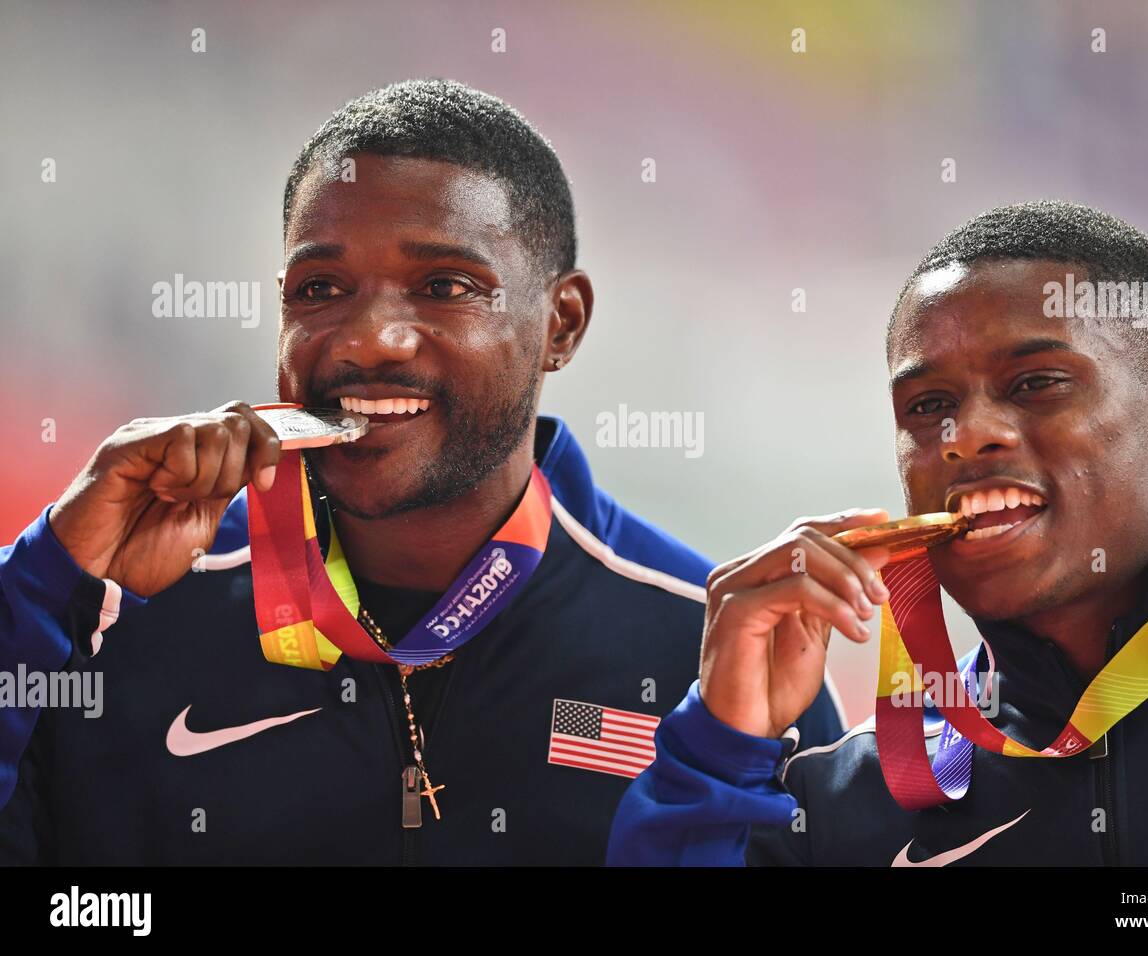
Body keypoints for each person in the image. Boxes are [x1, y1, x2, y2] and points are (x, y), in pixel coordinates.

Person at [0, 79, 843, 865]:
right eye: (319, 287)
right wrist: (40, 585)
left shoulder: (718, 654)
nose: (370, 339)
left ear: (563, 323)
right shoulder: (106, 615)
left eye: (444, 285)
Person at [608, 201, 1148, 866]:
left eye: (1036, 382)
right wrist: (718, 750)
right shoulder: (839, 804)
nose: (966, 437)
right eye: (929, 405)